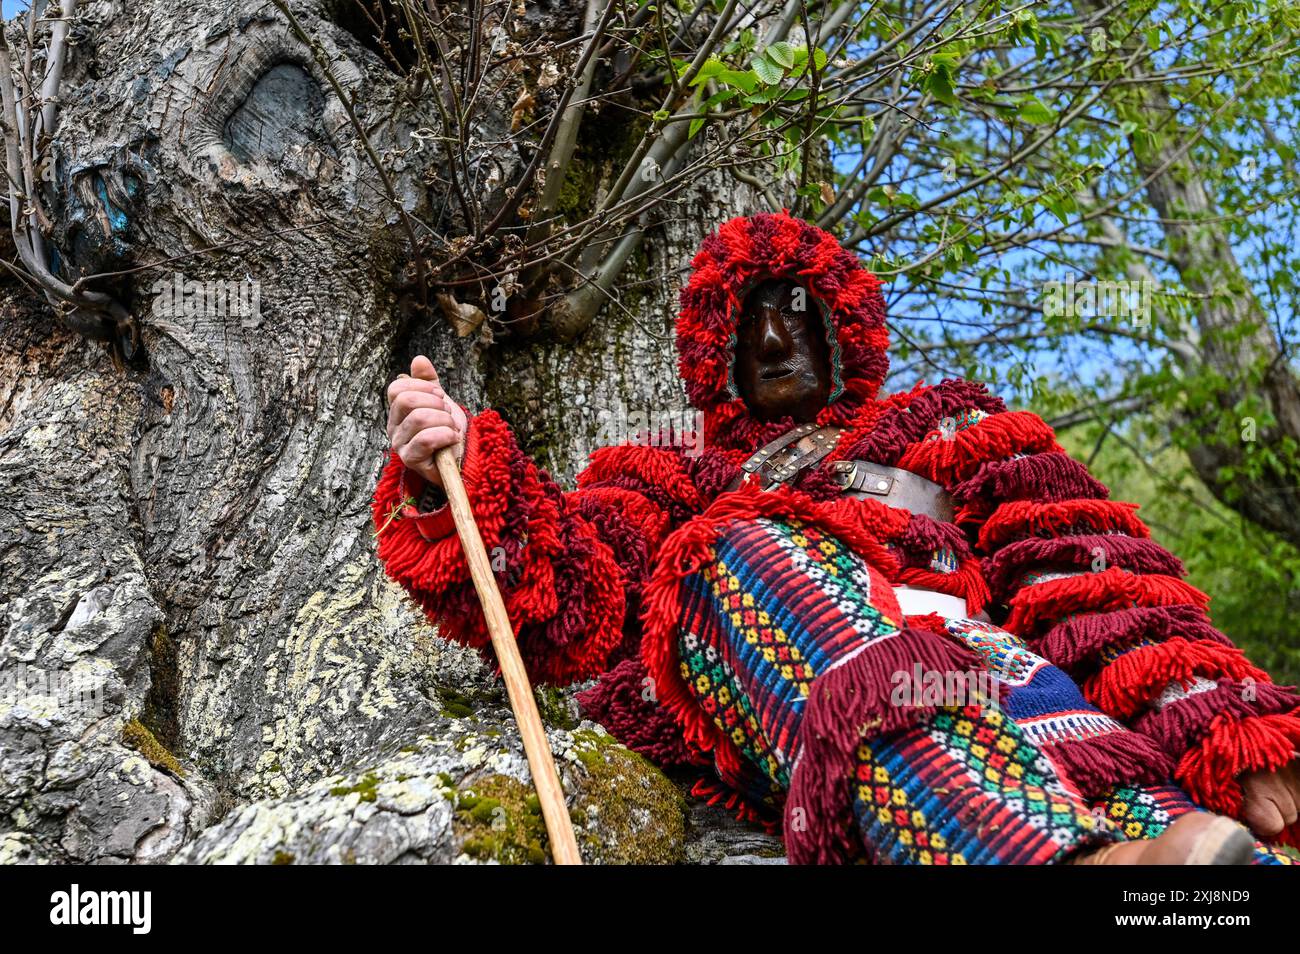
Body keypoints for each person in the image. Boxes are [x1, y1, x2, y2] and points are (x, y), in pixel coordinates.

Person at [374, 211, 1300, 864]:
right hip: (799, 686)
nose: (775, 339)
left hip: (1014, 690)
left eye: (797, 310)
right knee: (730, 552)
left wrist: (1238, 736)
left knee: (1206, 864)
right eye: (749, 324)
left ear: (843, 327)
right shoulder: (665, 472)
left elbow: (1102, 585)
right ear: (717, 358)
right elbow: (566, 605)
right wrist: (448, 475)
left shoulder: (955, 428)